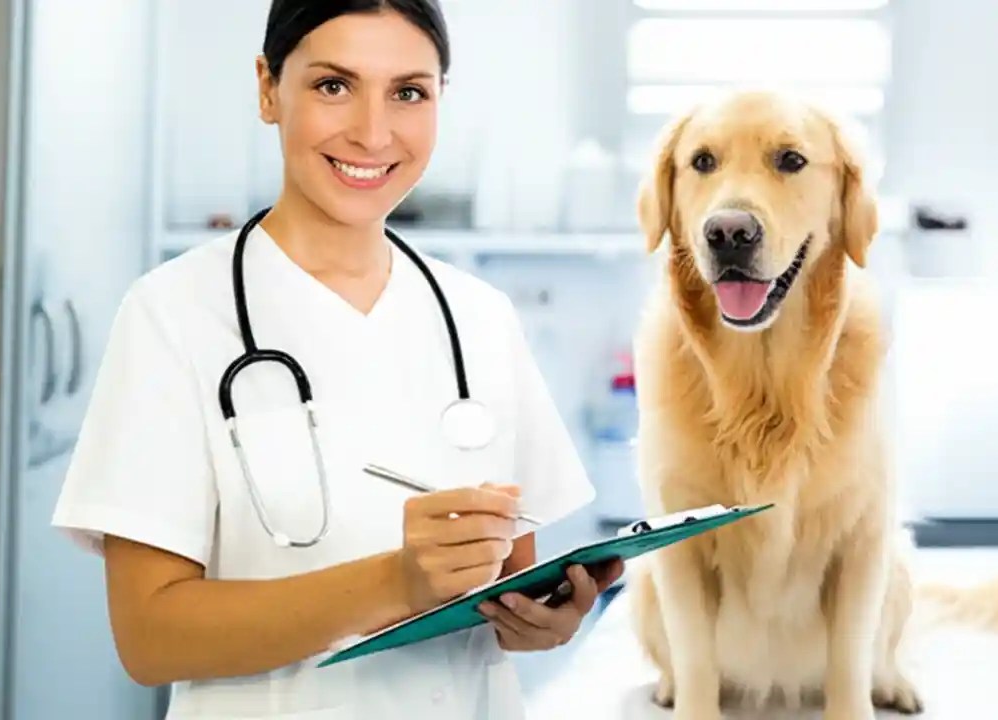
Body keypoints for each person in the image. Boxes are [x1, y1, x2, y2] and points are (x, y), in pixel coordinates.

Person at [50, 1, 623, 717]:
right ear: (268, 89)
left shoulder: (479, 317)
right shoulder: (173, 312)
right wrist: (397, 582)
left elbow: (508, 579)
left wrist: (544, 622)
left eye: (408, 92)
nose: (373, 131)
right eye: (333, 86)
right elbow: (149, 636)